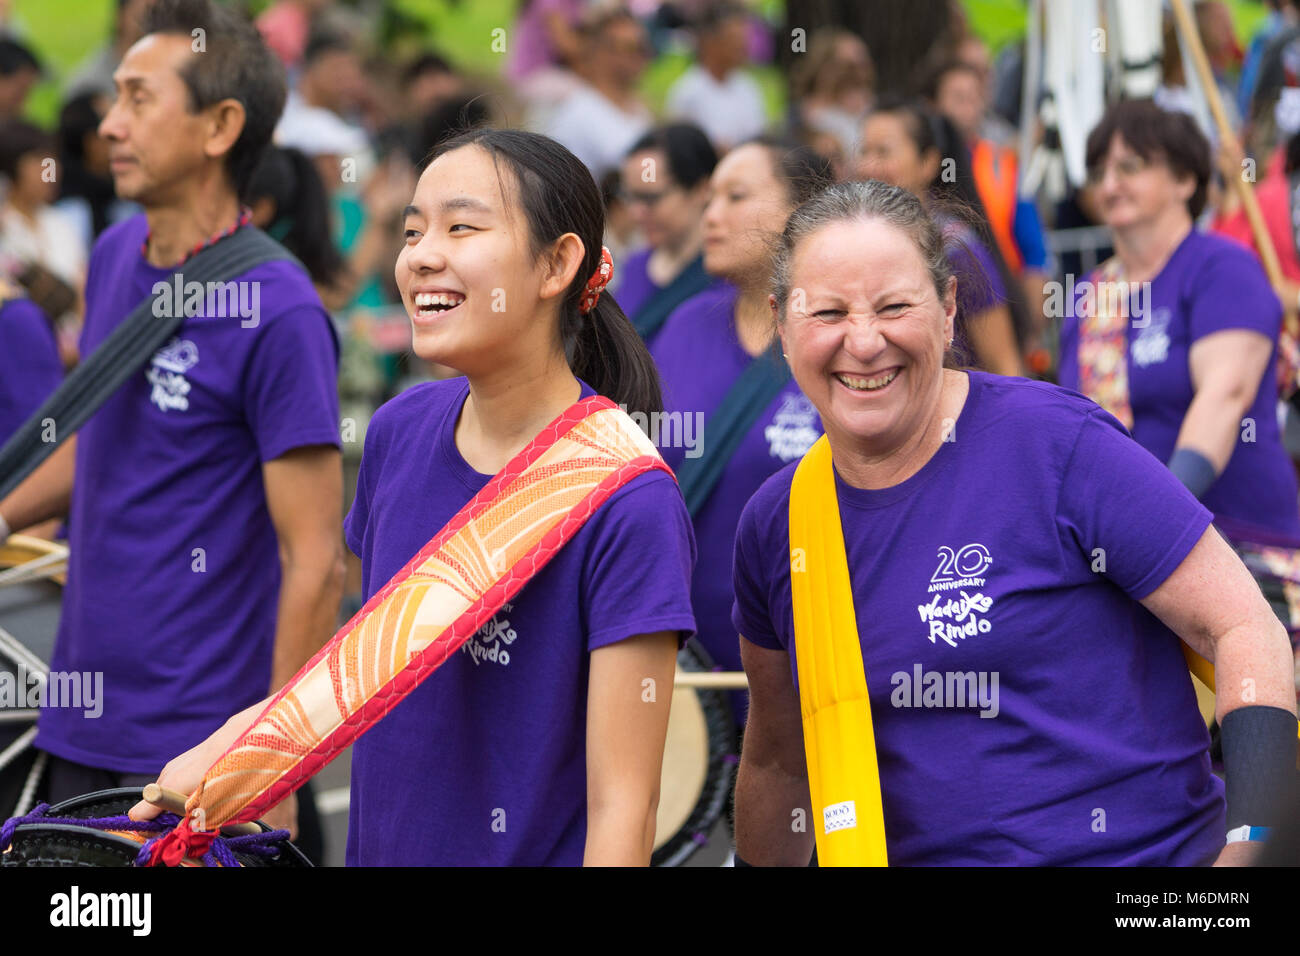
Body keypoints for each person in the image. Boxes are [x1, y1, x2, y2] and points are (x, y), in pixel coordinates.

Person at [130, 128, 698, 866]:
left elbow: (625, 807)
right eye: (411, 230)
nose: (422, 254)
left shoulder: (630, 500)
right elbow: (372, 657)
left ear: (559, 262)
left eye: (461, 227)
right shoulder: (399, 432)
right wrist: (224, 755)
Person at [732, 179, 1298, 866]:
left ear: (946, 310)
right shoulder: (777, 525)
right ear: (781, 324)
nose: (864, 340)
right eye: (827, 312)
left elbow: (1242, 626)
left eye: (894, 307)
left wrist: (1255, 846)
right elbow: (780, 765)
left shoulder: (1058, 443)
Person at [0, 0, 342, 855]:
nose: (110, 123)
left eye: (140, 99)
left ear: (222, 124)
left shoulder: (281, 308)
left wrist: (276, 764)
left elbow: (314, 557)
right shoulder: (117, 256)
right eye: (115, 96)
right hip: (80, 714)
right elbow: (98, 438)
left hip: (198, 747)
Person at [1062, 102, 1300, 678]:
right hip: (1126, 563)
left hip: (1237, 544)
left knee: (1260, 734)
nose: (1111, 183)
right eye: (1101, 171)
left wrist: (1155, 515)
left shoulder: (1223, 267)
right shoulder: (1090, 295)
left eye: (1133, 165)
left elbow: (1225, 397)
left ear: (1187, 180)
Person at [650, 137, 832, 725]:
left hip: (813, 655)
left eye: (736, 196)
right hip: (687, 662)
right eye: (708, 200)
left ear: (798, 212)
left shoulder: (841, 332)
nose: (711, 215)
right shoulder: (683, 325)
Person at [854, 98, 1025, 376]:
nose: (869, 166)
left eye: (884, 152)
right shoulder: (851, 242)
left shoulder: (955, 247)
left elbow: (1005, 364)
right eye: (863, 151)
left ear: (929, 163)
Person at [615, 123, 718, 341]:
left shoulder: (724, 279)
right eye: (630, 197)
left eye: (650, 199)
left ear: (701, 189)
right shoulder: (634, 267)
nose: (636, 213)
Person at [542, 6, 652, 182]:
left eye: (644, 47)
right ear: (601, 52)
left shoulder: (638, 109)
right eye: (631, 47)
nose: (641, 56)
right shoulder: (577, 114)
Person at [665, 1, 767, 153]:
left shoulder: (749, 86)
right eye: (733, 40)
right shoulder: (688, 94)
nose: (742, 47)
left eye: (743, 40)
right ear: (709, 41)